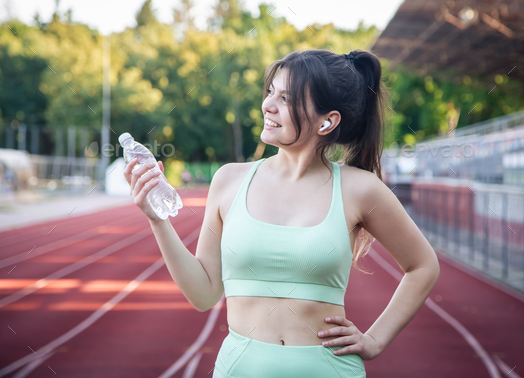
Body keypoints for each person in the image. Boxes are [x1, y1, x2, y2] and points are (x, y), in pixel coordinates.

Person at [123, 49, 440, 377]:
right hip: (240, 369)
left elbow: (423, 266)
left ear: (327, 120)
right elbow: (203, 294)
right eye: (270, 91)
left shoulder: (360, 188)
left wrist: (375, 339)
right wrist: (156, 218)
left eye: (286, 98)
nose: (268, 105)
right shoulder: (229, 180)